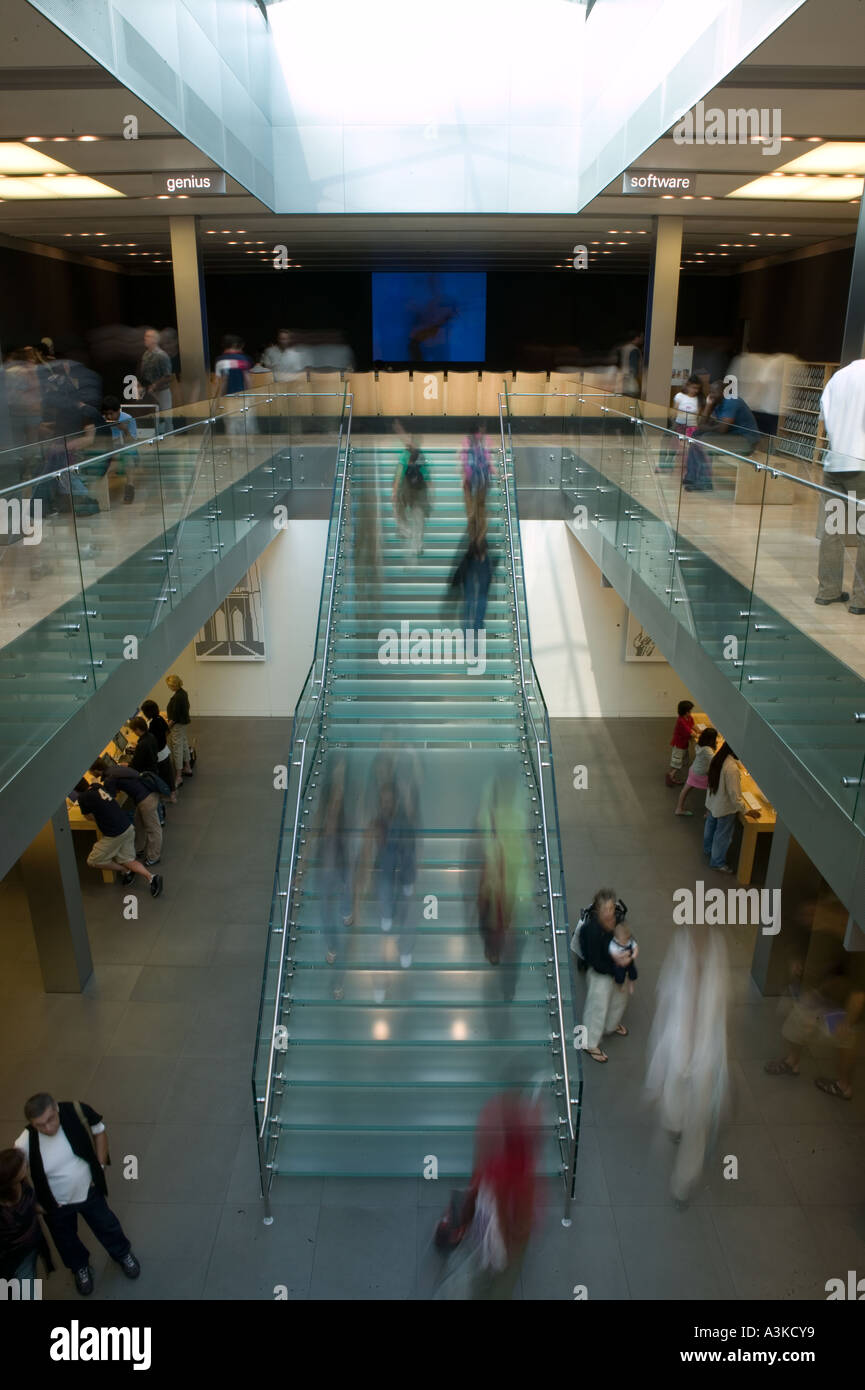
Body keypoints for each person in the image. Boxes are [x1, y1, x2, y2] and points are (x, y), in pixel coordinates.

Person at [15, 1093, 140, 1297]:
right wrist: (35, 1203)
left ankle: (122, 1253)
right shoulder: (25, 1141)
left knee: (106, 1224)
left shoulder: (75, 1111)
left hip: (88, 1192)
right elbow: (19, 1173)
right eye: (40, 1125)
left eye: (50, 1120)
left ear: (56, 1109)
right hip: (56, 1204)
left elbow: (99, 1131)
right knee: (65, 1240)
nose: (48, 1128)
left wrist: (99, 1167)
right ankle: (80, 1267)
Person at [645, 926, 730, 1208]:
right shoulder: (681, 945)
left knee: (698, 1122)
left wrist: (717, 1062)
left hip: (706, 1053)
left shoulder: (718, 952)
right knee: (674, 1098)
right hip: (678, 1042)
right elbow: (666, 995)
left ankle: (683, 1181)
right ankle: (673, 1121)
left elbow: (720, 1010)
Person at [433, 1092, 539, 1300]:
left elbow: (481, 1181)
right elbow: (517, 1218)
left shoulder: (493, 1144)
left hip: (489, 1223)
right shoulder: (513, 1170)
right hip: (496, 1230)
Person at [764, 948, 865, 1101]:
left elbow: (859, 992)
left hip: (842, 1000)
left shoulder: (859, 951)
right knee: (800, 1019)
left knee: (847, 1038)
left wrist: (847, 1022)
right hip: (827, 991)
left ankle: (843, 1086)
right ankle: (792, 1062)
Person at [816, 357, 865, 614]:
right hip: (862, 466)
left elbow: (824, 416)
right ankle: (860, 600)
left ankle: (828, 591)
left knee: (832, 529)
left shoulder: (839, 376)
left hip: (834, 464)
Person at [72, 776, 163, 897]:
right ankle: (151, 877)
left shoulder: (83, 798)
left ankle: (123, 870)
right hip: (127, 827)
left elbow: (89, 817)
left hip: (115, 833)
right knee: (127, 860)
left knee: (93, 860)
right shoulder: (97, 787)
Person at [579, 889, 635, 1063]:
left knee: (620, 997)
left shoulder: (617, 922)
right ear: (597, 910)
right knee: (597, 1007)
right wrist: (615, 970)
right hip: (600, 973)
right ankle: (589, 1042)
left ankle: (611, 1024)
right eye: (605, 910)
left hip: (616, 969)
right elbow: (594, 960)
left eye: (611, 908)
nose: (609, 913)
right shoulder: (590, 930)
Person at [90, 757, 162, 869]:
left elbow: (110, 798)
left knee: (153, 829)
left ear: (95, 771)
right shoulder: (114, 768)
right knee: (139, 824)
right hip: (147, 794)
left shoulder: (109, 778)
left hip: (145, 800)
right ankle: (139, 848)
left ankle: (154, 857)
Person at [0, 1147, 53, 1292]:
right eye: (22, 1165)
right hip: (15, 1257)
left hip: (32, 1245)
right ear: (11, 1177)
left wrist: (43, 1208)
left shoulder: (22, 1183)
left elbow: (30, 1202)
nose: (26, 1164)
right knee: (27, 1290)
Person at [690, 381, 760, 490]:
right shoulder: (716, 404)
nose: (711, 395)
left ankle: (705, 482)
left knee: (705, 438)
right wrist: (708, 406)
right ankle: (692, 476)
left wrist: (707, 428)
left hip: (747, 441)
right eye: (710, 392)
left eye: (714, 392)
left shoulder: (732, 402)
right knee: (695, 434)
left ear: (723, 392)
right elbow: (701, 425)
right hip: (734, 437)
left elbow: (722, 429)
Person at [703, 743, 760, 873]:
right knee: (722, 836)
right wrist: (746, 810)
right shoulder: (732, 769)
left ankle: (708, 850)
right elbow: (735, 795)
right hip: (725, 808)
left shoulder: (718, 759)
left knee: (710, 827)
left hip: (713, 803)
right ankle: (717, 862)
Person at [392, 439, 431, 559]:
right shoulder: (420, 456)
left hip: (408, 490)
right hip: (417, 491)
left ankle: (405, 531)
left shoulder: (404, 456)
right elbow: (426, 476)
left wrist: (394, 492)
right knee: (418, 519)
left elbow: (398, 476)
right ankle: (417, 546)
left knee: (400, 510)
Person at [450, 534, 497, 633]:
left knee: (473, 601)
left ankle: (473, 625)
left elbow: (461, 569)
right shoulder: (480, 559)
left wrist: (456, 582)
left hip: (474, 582)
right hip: (475, 582)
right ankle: (475, 625)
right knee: (476, 600)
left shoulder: (473, 558)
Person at [100, 395, 138, 503]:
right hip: (110, 450)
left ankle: (130, 486)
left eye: (111, 413)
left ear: (118, 411)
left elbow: (132, 441)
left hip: (126, 449)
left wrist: (125, 430)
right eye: (106, 414)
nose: (109, 417)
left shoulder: (128, 418)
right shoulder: (102, 421)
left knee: (127, 458)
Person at [214, 334, 254, 434]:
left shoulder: (220, 360)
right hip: (244, 397)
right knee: (246, 424)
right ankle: (250, 448)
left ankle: (234, 448)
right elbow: (247, 379)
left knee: (231, 424)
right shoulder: (244, 359)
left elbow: (220, 382)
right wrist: (251, 396)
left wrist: (217, 400)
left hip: (228, 398)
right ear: (237, 345)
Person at [675, 726, 718, 816]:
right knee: (711, 792)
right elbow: (715, 761)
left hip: (693, 770)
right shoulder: (708, 750)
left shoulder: (700, 744)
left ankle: (679, 808)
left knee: (685, 790)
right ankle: (707, 813)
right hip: (702, 775)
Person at [461, 425, 493, 542]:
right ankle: (478, 539)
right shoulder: (481, 442)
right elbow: (487, 461)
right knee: (478, 511)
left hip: (476, 482)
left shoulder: (472, 442)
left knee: (475, 512)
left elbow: (465, 461)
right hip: (478, 482)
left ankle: (476, 539)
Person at [140, 698, 176, 794]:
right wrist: (162, 739)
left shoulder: (152, 724)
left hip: (159, 754)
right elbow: (167, 730)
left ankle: (170, 794)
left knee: (164, 775)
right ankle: (172, 793)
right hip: (165, 750)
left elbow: (151, 739)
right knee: (169, 774)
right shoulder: (160, 718)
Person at [137, 328, 173, 415]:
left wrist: (154, 386)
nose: (145, 338)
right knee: (153, 418)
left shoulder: (162, 356)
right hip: (149, 392)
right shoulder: (145, 355)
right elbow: (143, 373)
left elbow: (167, 376)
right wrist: (140, 385)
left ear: (155, 339)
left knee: (166, 417)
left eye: (148, 336)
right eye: (145, 336)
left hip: (162, 392)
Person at [165, 675, 193, 782]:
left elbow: (175, 717)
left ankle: (178, 776)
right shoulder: (183, 693)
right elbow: (186, 707)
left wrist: (167, 727)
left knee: (177, 748)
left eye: (169, 685)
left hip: (177, 726)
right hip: (183, 724)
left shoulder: (177, 697)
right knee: (184, 744)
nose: (169, 687)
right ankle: (188, 767)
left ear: (173, 685)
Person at [666, 699, 695, 788]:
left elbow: (693, 726)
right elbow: (690, 732)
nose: (690, 712)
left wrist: (698, 730)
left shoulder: (689, 717)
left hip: (684, 744)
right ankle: (670, 776)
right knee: (677, 762)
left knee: (683, 760)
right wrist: (696, 733)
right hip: (679, 745)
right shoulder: (681, 721)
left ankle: (673, 773)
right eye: (689, 711)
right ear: (685, 712)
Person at [609, 916, 638, 993]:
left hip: (629, 961)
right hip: (619, 964)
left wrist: (634, 954)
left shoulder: (629, 940)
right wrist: (623, 955)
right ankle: (621, 984)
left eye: (627, 938)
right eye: (624, 940)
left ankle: (631, 983)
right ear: (617, 938)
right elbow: (614, 955)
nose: (626, 942)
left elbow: (635, 947)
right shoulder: (614, 944)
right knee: (620, 976)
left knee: (633, 973)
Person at [128, 714, 160, 779]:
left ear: (137, 729)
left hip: (147, 774)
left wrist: (127, 765)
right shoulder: (151, 736)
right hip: (154, 769)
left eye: (133, 730)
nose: (134, 732)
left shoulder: (142, 745)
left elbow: (135, 766)